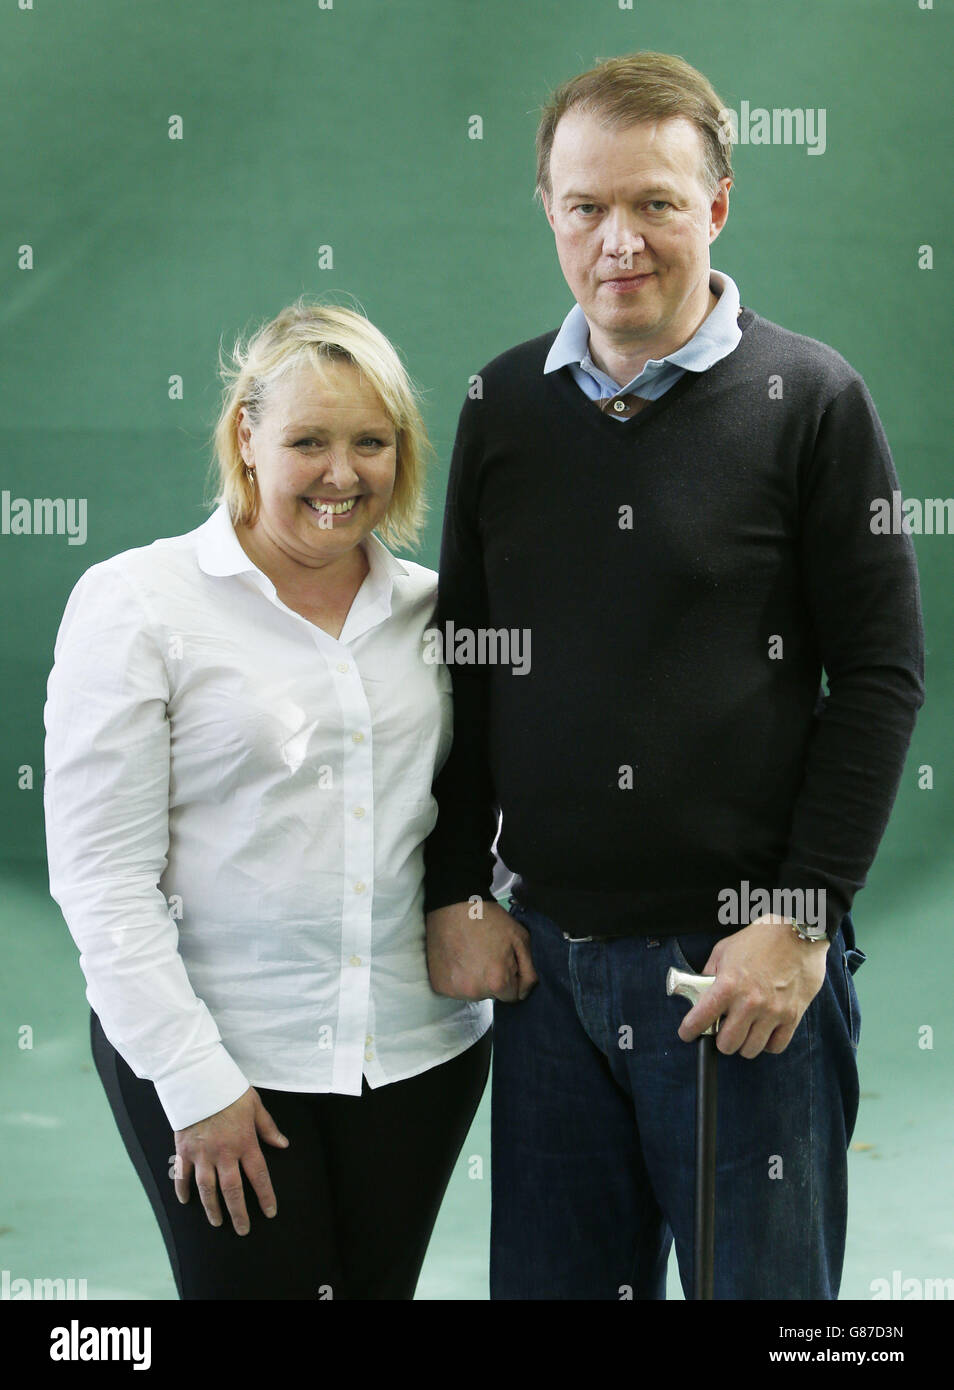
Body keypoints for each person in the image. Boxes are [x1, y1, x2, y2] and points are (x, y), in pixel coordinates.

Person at [423, 51, 924, 1300]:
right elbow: (466, 668)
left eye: (655, 201)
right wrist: (453, 889)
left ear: (718, 205)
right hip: (543, 974)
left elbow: (878, 676)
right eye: (586, 205)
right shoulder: (503, 404)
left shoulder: (812, 401)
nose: (620, 240)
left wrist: (799, 920)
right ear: (548, 209)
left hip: (737, 977)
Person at [44, 301, 492, 1300]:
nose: (343, 474)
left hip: (416, 1055)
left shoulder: (436, 611)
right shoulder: (137, 603)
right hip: (218, 1052)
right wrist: (196, 1085)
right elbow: (99, 877)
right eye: (309, 441)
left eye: (371, 442)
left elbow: (478, 800)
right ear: (247, 437)